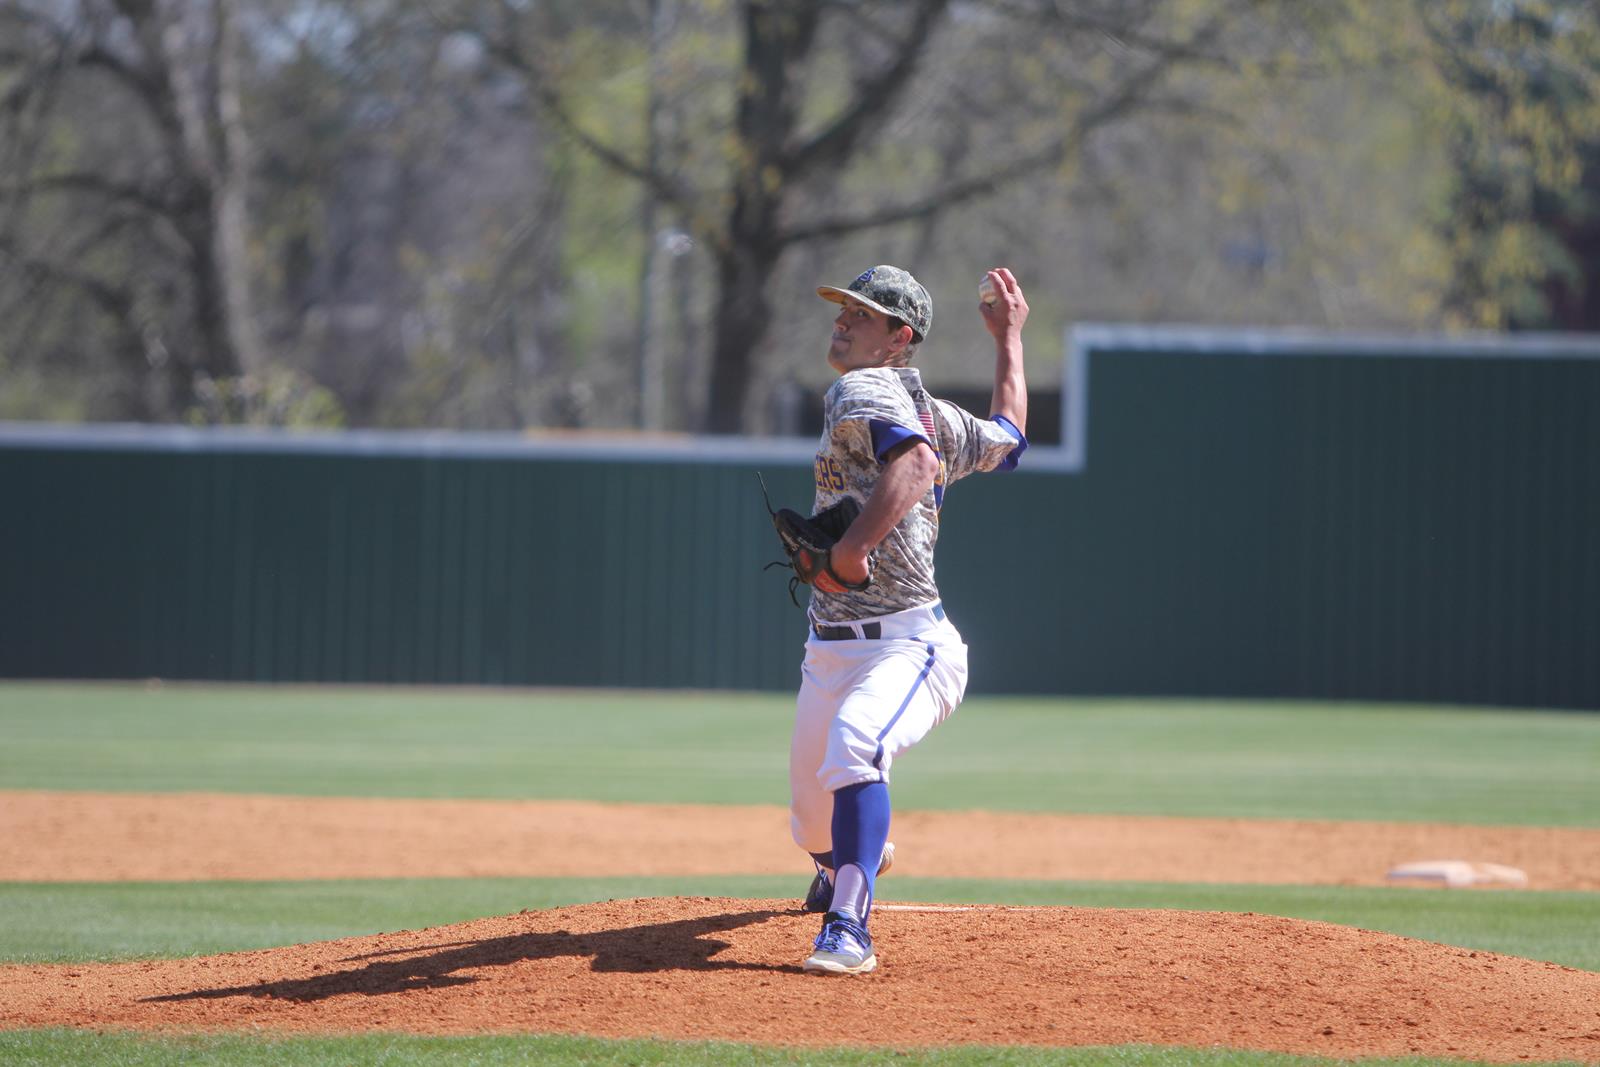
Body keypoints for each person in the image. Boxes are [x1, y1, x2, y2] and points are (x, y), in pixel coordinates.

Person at [790, 264, 1029, 975]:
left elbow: (917, 464)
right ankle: (845, 864)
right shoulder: (934, 411)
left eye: (861, 316)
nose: (842, 322)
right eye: (843, 309)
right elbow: (1010, 437)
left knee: (856, 743)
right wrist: (1009, 341)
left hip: (908, 642)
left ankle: (849, 930)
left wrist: (853, 548)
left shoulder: (861, 386)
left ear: (900, 337)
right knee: (811, 820)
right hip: (830, 647)